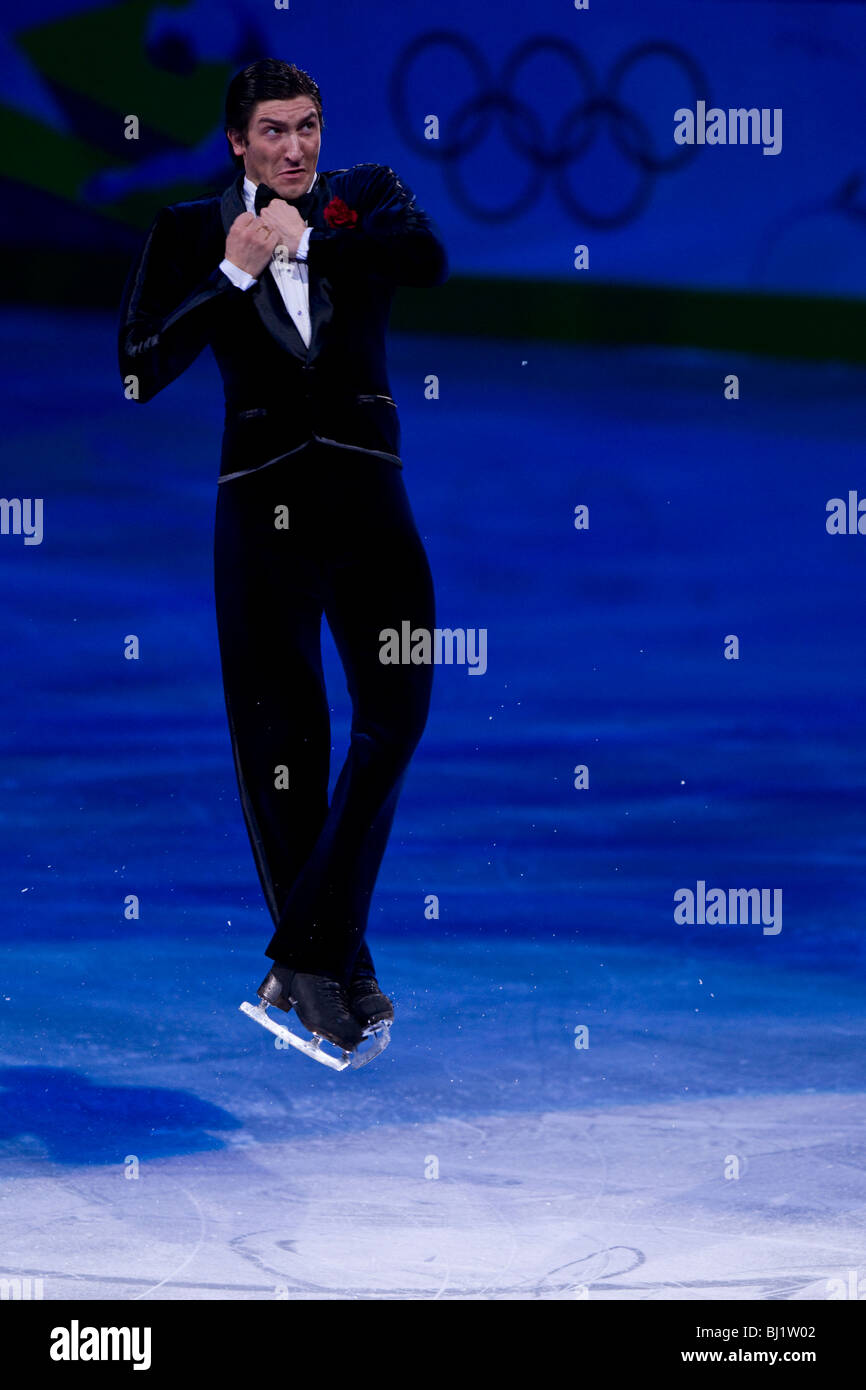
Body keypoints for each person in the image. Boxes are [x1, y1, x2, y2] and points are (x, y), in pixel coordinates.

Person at [118, 58, 449, 1052]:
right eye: (273, 132)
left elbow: (425, 258)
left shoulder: (362, 197)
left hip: (368, 503)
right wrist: (233, 275)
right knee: (283, 752)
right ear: (235, 142)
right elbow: (139, 372)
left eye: (306, 126)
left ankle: (308, 956)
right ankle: (334, 972)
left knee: (396, 712)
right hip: (258, 510)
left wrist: (319, 235)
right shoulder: (187, 230)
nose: (296, 148)